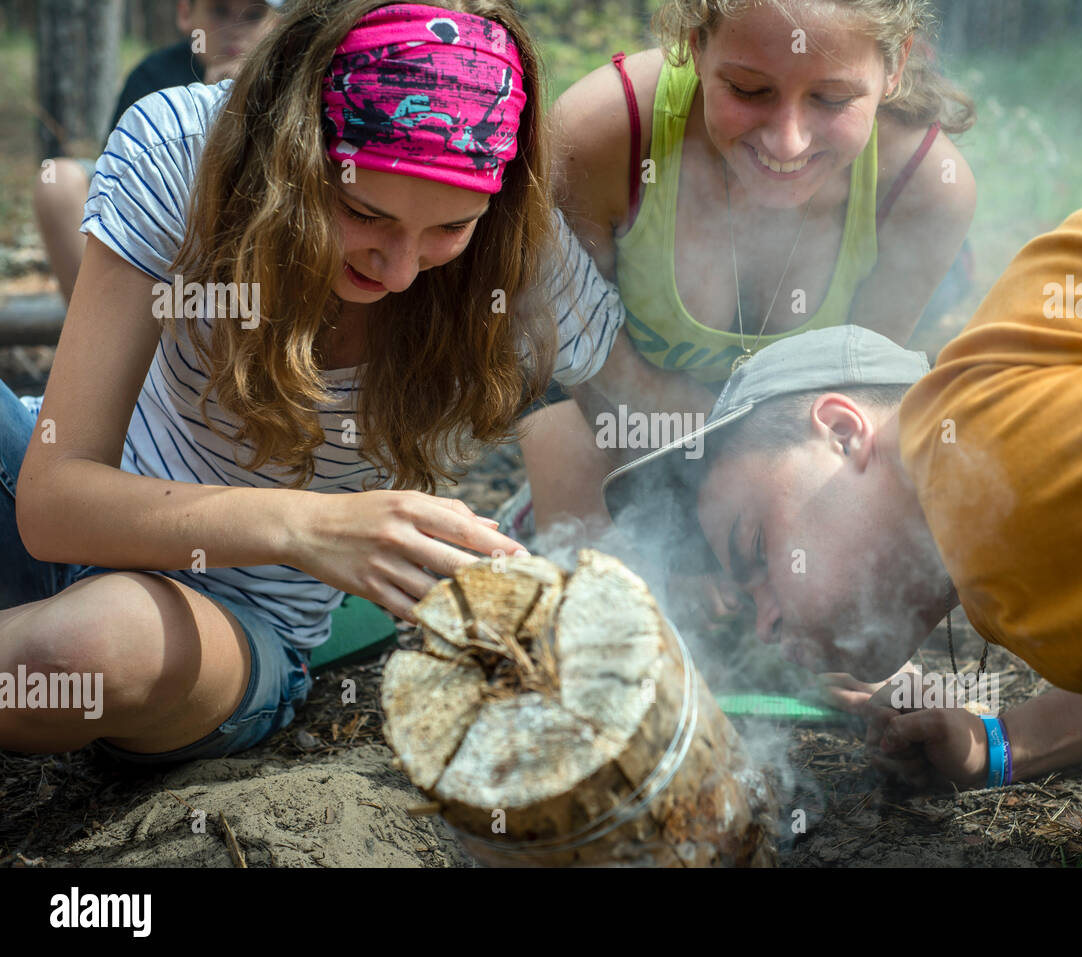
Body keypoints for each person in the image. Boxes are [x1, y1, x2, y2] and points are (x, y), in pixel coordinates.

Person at [602, 81, 1082, 790]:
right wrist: (1001, 742)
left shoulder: (986, 465)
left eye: (755, 550)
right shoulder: (988, 477)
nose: (765, 628)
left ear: (842, 431)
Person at [0, 1, 622, 763]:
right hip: (52, 501)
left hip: (228, 614)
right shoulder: (185, 150)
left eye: (449, 228)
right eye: (363, 212)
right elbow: (53, 499)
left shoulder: (519, 252)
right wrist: (315, 527)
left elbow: (651, 413)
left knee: (70, 657)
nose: (398, 270)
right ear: (291, 153)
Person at [506, 0, 976, 541]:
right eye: (749, 91)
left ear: (895, 68)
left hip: (782, 443)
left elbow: (852, 405)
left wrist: (748, 523)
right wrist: (676, 512)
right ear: (695, 46)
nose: (787, 142)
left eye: (832, 98)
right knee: (596, 583)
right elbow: (574, 365)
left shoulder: (924, 189)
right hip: (606, 410)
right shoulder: (601, 137)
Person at [34, 0, 284, 304]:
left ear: (276, 22)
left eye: (254, 15)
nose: (234, 29)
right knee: (57, 182)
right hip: (156, 242)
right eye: (219, 10)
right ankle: (100, 330)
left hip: (246, 261)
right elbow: (115, 186)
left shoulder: (287, 80)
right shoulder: (153, 76)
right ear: (185, 13)